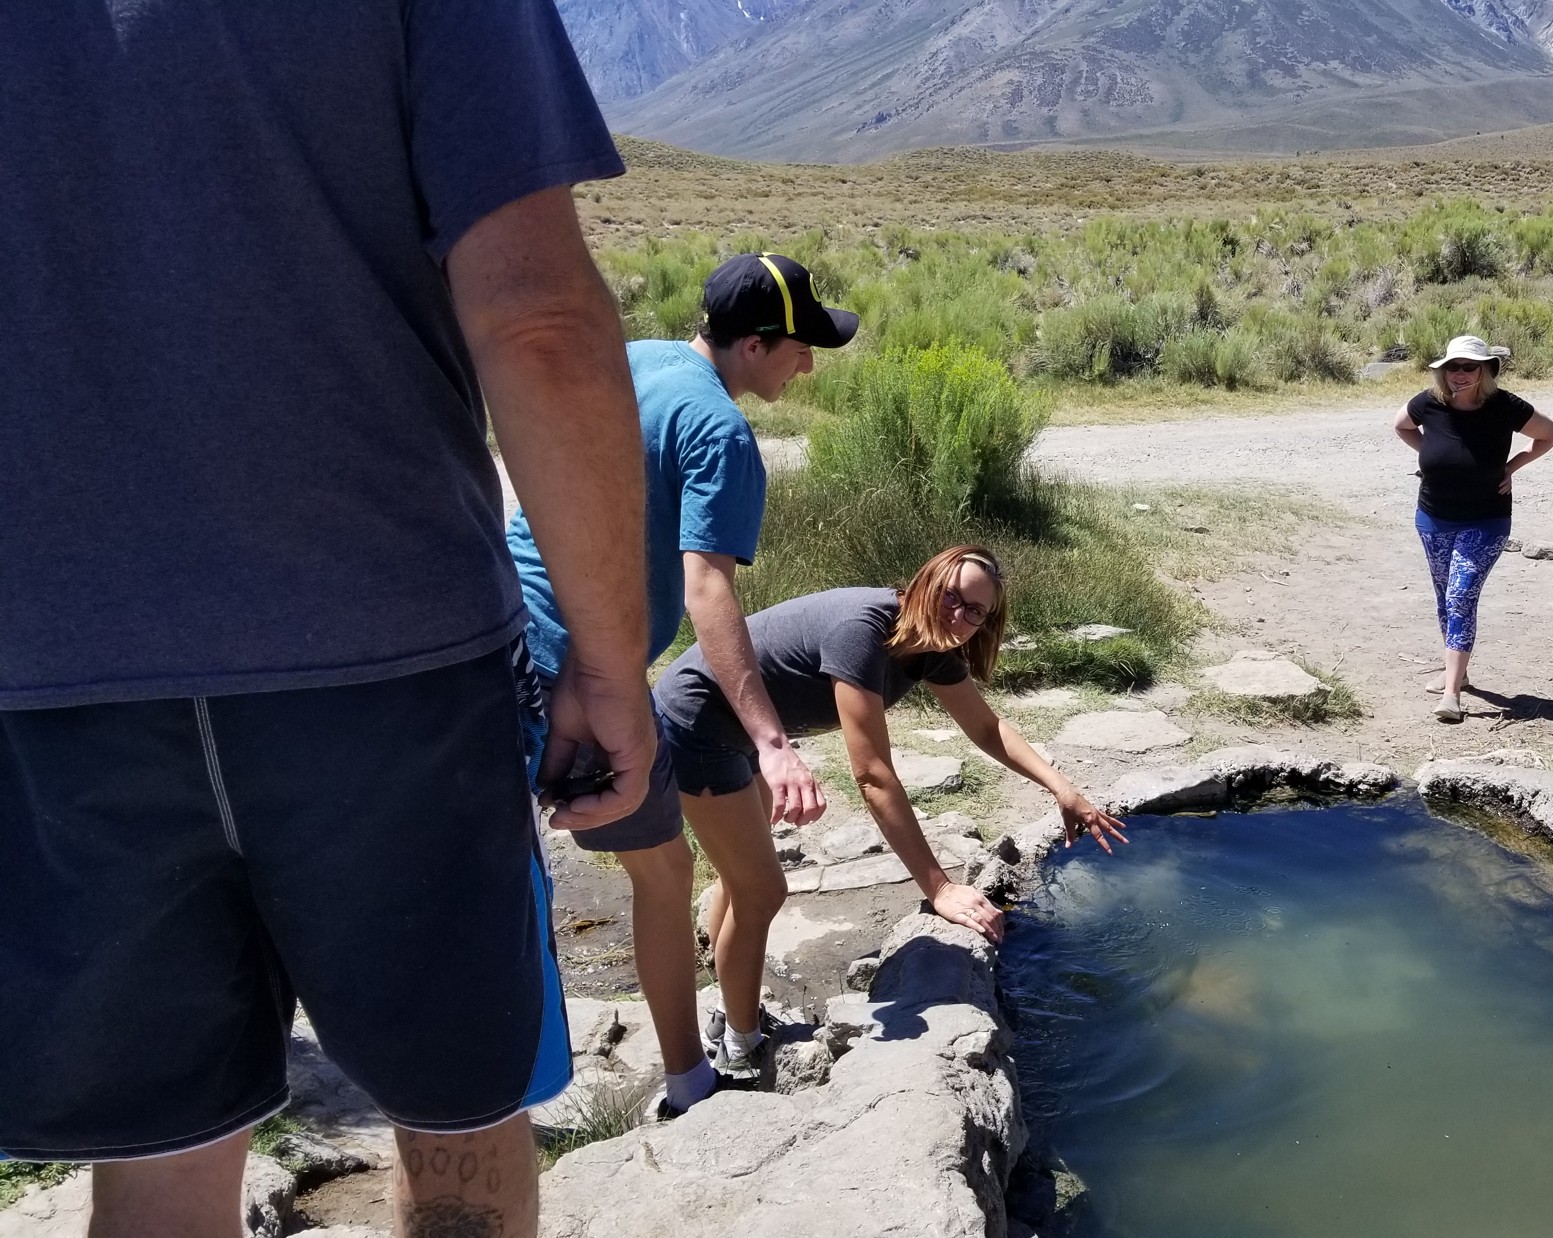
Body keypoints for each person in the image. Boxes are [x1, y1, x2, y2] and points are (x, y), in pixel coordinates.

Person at [2, 4, 650, 1236]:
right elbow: (539, 321)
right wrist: (609, 663)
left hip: (56, 684)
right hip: (391, 670)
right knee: (460, 1122)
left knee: (157, 1165)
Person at [506, 253, 855, 1114]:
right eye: (800, 346)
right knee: (629, 879)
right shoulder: (723, 434)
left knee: (613, 870)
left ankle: (681, 1081)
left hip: (493, 622)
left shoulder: (639, 358)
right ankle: (637, 1089)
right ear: (754, 343)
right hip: (572, 671)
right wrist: (774, 744)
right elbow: (708, 589)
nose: (808, 362)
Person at [655, 545, 1129, 1055]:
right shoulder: (863, 631)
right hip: (697, 722)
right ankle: (741, 1050)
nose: (958, 615)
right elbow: (873, 776)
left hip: (745, 725)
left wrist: (1063, 788)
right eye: (951, 597)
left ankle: (731, 1008)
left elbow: (987, 728)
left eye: (975, 612)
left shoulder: (932, 644)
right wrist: (940, 887)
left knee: (743, 876)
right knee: (761, 890)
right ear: (924, 582)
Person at [1393, 335, 1553, 724]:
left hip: (1487, 519)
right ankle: (1459, 672)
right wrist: (1430, 453)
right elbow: (1401, 426)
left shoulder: (1504, 406)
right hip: (1434, 516)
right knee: (1444, 596)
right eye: (1453, 366)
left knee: (1460, 595)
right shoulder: (1429, 403)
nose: (1460, 374)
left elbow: (1548, 434)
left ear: (1485, 370)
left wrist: (1514, 465)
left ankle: (1452, 693)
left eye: (1470, 366)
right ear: (1443, 370)